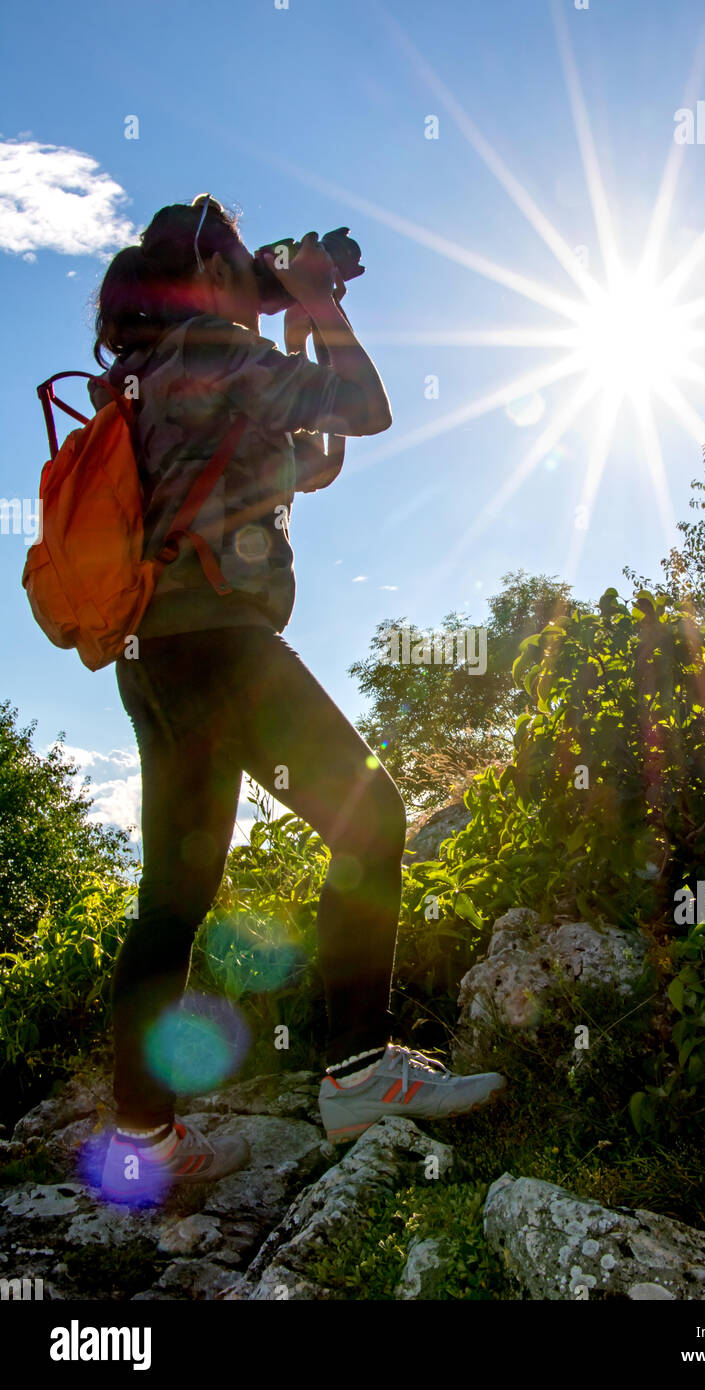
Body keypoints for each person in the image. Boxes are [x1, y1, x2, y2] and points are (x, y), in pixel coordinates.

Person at [95, 195, 505, 1204]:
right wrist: (318, 302)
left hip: (161, 659)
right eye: (244, 261)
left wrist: (289, 312)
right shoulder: (208, 349)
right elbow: (362, 404)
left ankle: (141, 1138)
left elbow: (315, 459)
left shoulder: (170, 364)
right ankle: (362, 1076)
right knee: (372, 820)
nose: (258, 272)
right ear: (208, 277)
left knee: (173, 897)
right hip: (219, 649)